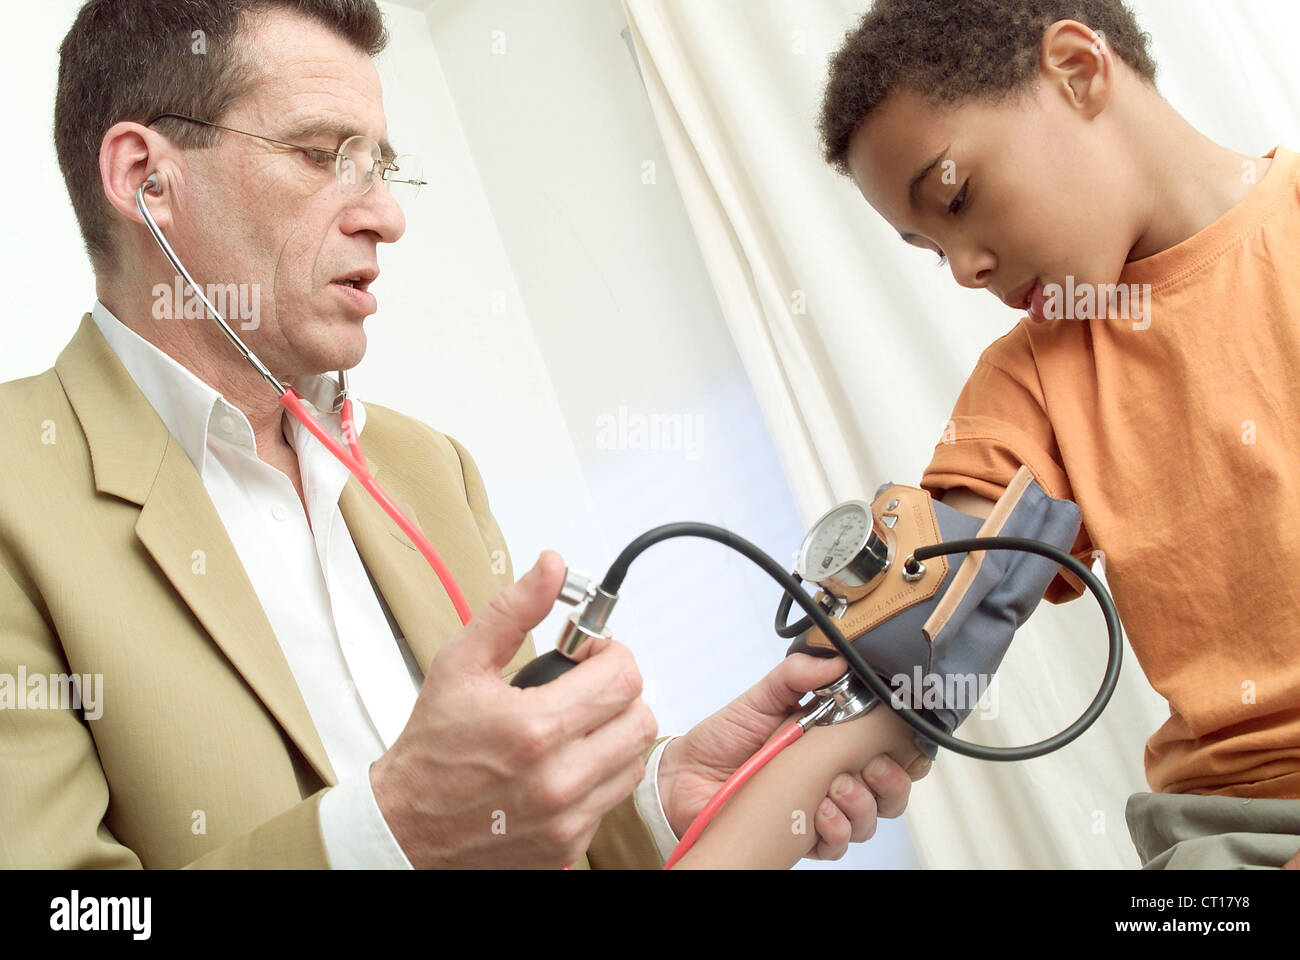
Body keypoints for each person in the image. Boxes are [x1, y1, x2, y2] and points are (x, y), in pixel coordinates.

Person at [0, 0, 925, 869]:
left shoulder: (427, 467)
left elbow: (513, 823)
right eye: (323, 156)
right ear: (143, 178)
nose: (387, 216)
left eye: (381, 167)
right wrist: (394, 831)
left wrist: (653, 800)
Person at [680, 0, 1300, 870]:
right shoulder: (1034, 381)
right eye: (931, 250)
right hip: (1226, 852)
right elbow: (913, 644)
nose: (968, 270)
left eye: (957, 197)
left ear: (1078, 72)